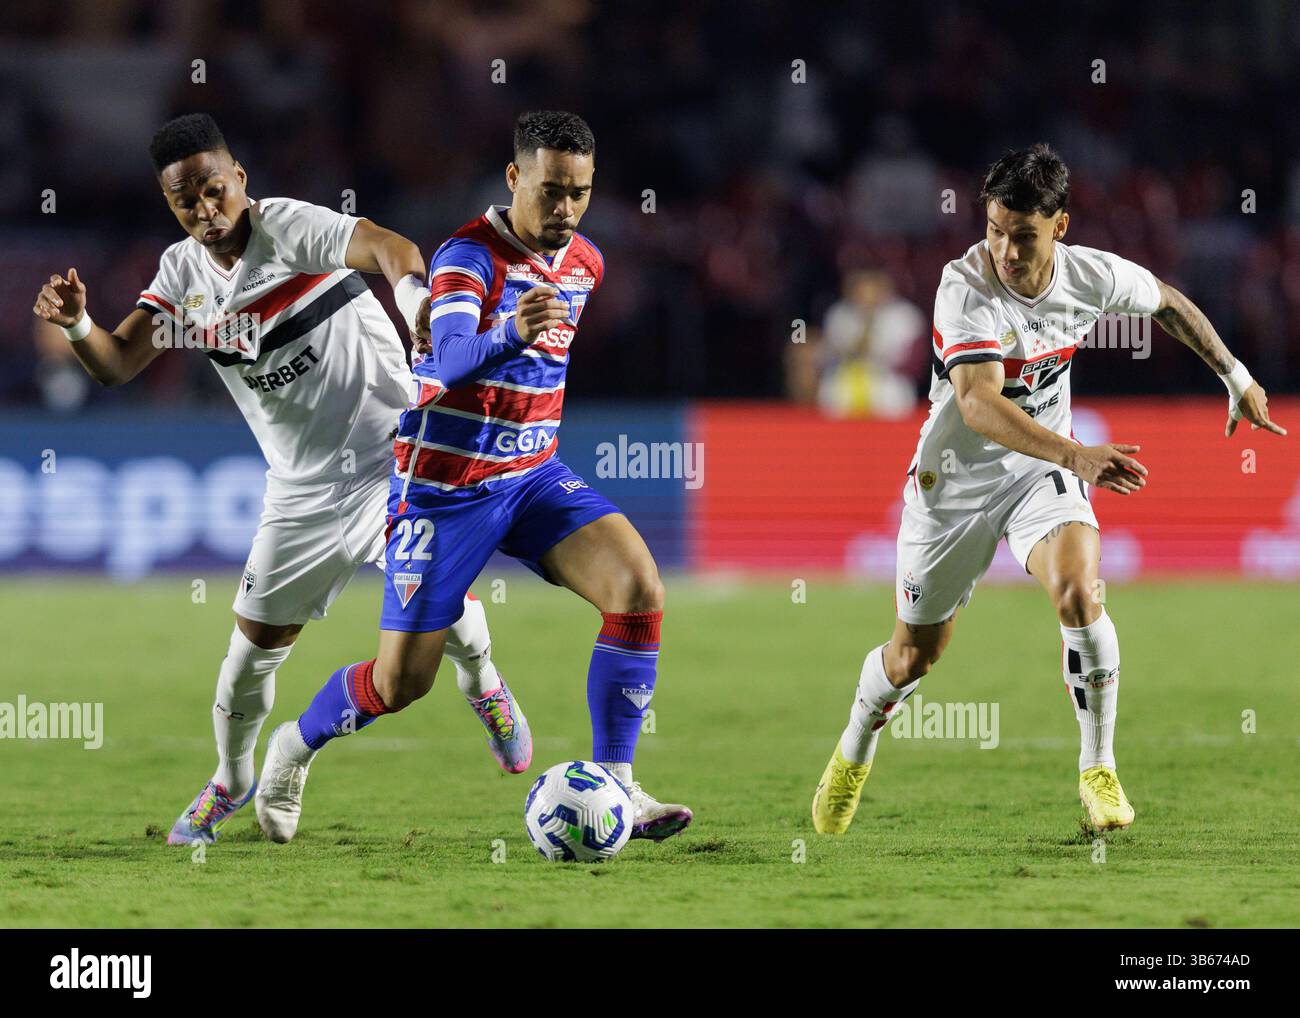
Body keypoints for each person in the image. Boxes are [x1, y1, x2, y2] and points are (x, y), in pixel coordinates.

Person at [31, 113, 512, 845]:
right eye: (184, 200)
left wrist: (419, 307)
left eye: (213, 189)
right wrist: (76, 326)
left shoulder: (289, 229)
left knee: (440, 617)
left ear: (240, 181)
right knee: (246, 658)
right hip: (304, 492)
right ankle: (232, 778)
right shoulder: (183, 277)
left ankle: (484, 686)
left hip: (396, 458)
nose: (204, 209)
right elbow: (118, 363)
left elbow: (391, 247)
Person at [811, 143, 1286, 835]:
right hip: (956, 486)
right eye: (995, 228)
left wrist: (1236, 377)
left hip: (1041, 475)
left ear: (1059, 226)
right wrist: (1077, 452)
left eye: (1023, 234)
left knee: (1079, 591)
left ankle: (1099, 768)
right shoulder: (963, 284)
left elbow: (1169, 303)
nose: (1005, 248)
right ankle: (855, 744)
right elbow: (976, 403)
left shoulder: (1090, 275)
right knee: (914, 655)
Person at [256, 111, 693, 845]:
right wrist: (511, 332)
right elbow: (452, 357)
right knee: (401, 686)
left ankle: (618, 784)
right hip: (442, 492)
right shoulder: (468, 258)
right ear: (515, 177)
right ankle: (293, 747)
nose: (565, 210)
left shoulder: (586, 260)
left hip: (530, 476)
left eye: (579, 194)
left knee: (639, 588)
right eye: (551, 191)